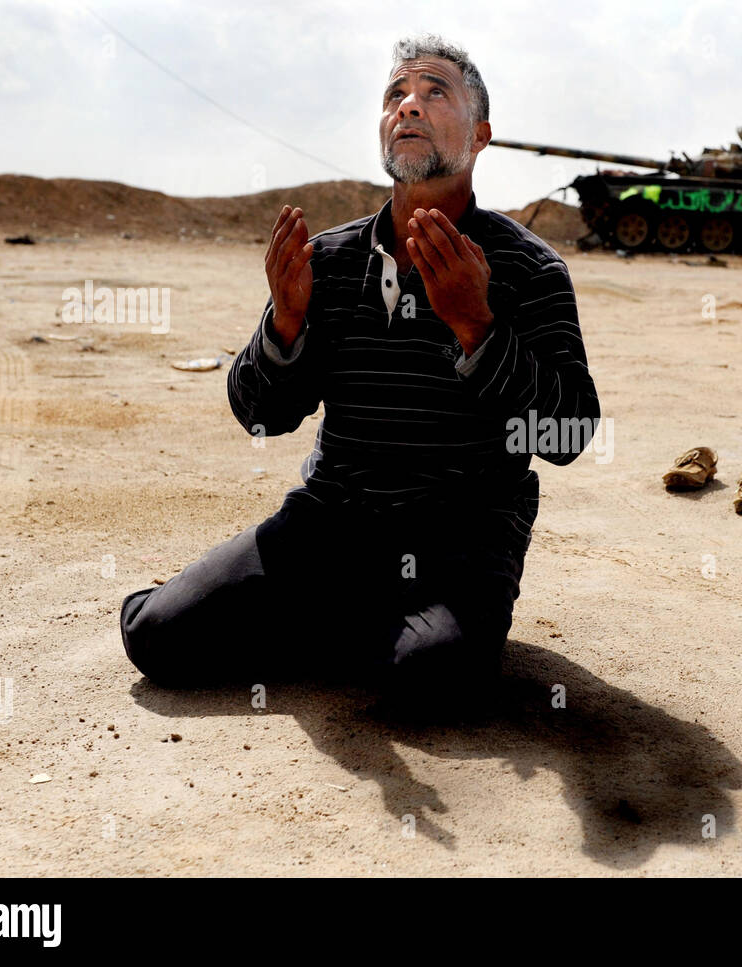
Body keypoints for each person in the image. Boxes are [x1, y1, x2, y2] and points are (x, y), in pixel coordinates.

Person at [119, 34, 600, 693]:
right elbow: (261, 414)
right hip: (332, 521)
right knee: (156, 637)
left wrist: (477, 327)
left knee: (429, 677)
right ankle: (358, 627)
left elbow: (570, 436)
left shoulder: (530, 269)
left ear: (481, 135)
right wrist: (283, 328)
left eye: (435, 93)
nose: (408, 106)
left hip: (462, 538)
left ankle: (371, 635)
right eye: (395, 96)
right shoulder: (332, 259)